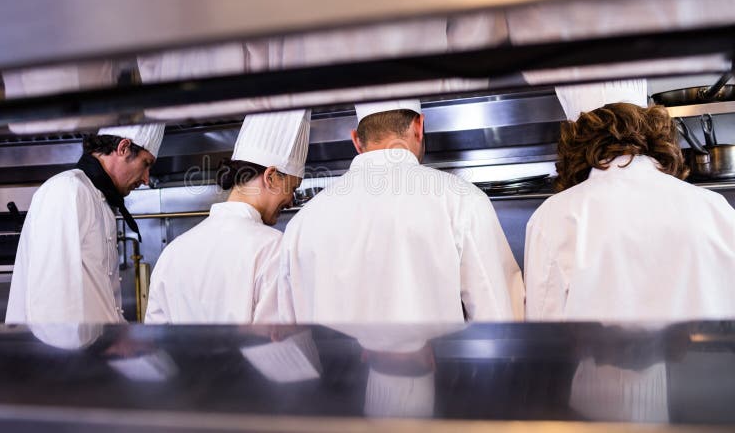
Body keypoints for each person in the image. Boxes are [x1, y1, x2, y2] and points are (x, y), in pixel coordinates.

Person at [278, 99, 524, 323]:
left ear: (356, 140)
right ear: (419, 126)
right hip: (436, 361)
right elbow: (499, 320)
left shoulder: (300, 224)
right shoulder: (462, 200)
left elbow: (288, 340)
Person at [525, 79, 735, 321]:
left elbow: (543, 330)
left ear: (575, 139)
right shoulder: (715, 208)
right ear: (650, 125)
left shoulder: (554, 217)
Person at [145, 109, 310, 324]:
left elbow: (156, 336)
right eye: (293, 188)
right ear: (271, 177)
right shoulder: (273, 248)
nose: (291, 201)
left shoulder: (172, 252)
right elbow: (278, 340)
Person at [6, 124, 165, 324]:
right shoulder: (69, 190)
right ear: (123, 148)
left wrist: (121, 332)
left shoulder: (99, 199)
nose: (146, 179)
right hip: (64, 344)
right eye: (146, 164)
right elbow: (50, 304)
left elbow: (100, 299)